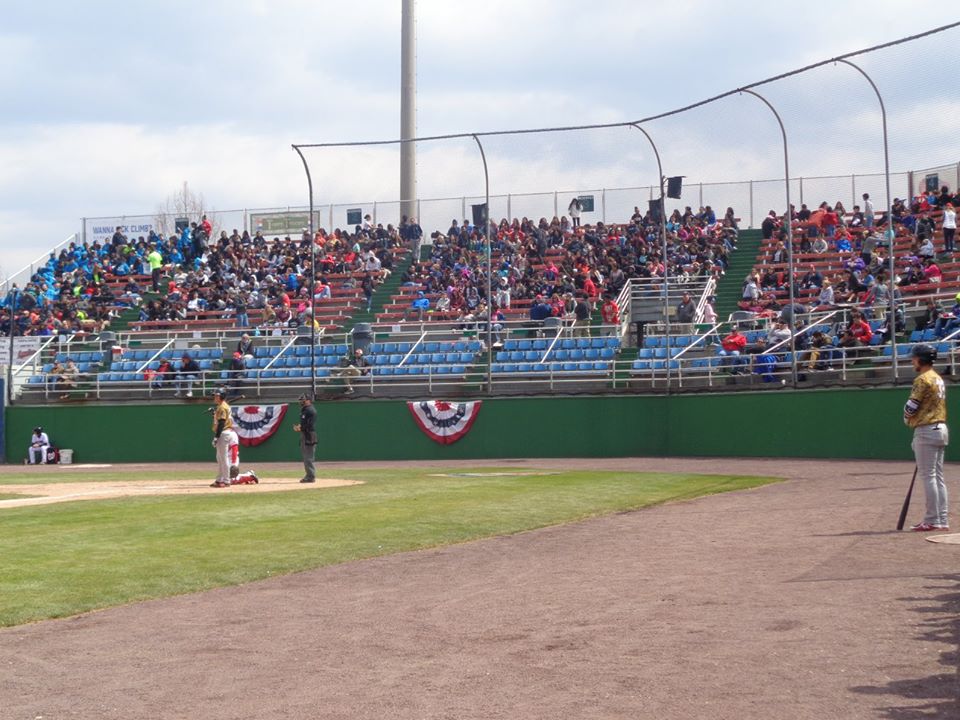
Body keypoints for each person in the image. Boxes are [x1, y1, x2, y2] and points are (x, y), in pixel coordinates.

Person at [903, 344, 949, 531]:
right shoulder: (937, 378)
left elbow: (911, 406)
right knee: (937, 477)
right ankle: (941, 518)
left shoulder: (922, 379)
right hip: (940, 428)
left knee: (929, 477)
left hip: (926, 429)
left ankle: (932, 519)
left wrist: (906, 417)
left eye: (914, 358)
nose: (913, 360)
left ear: (921, 359)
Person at [209, 388, 234, 488]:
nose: (215, 397)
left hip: (223, 433)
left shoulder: (222, 407)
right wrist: (214, 414)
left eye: (217, 396)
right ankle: (219, 479)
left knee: (223, 458)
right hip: (223, 433)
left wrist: (216, 437)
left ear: (221, 396)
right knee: (220, 458)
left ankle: (226, 480)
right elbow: (218, 421)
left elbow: (222, 423)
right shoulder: (222, 406)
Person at [293, 393, 318, 483]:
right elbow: (305, 423)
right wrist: (300, 427)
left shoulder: (310, 410)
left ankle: (311, 476)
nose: (301, 402)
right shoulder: (305, 409)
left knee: (308, 457)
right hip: (305, 434)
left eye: (303, 400)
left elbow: (309, 425)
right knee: (306, 457)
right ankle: (309, 475)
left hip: (309, 435)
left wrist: (300, 428)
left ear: (308, 400)